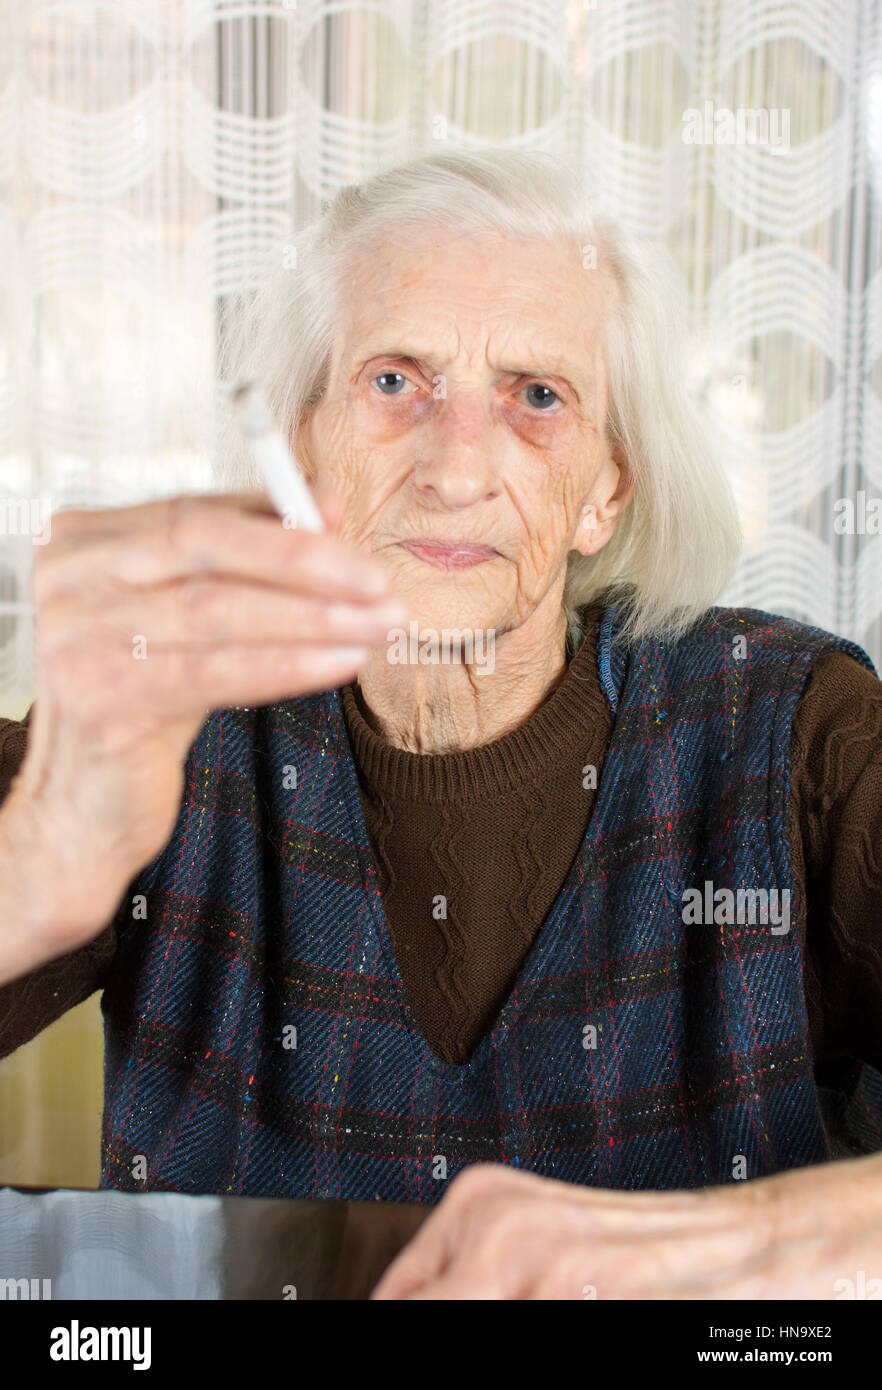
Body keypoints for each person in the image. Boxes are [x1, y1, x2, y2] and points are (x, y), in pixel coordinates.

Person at [2, 147, 882, 1299]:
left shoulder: (796, 734)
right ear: (303, 441)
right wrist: (47, 856)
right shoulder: (154, 712)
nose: (456, 465)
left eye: (537, 396)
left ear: (607, 490)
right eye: (393, 381)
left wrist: (722, 1249)